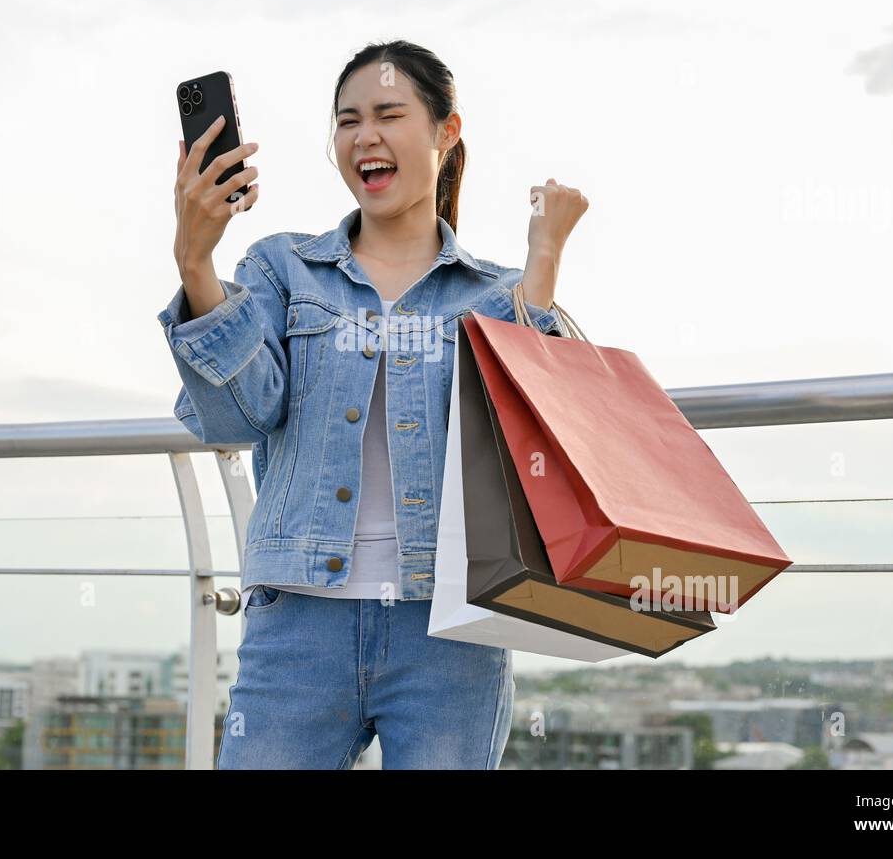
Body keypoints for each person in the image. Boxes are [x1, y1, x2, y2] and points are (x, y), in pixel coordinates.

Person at [158, 39, 590, 769]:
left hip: (450, 630)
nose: (364, 137)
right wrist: (194, 262)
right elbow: (233, 419)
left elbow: (539, 442)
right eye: (347, 120)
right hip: (297, 620)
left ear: (447, 134)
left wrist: (543, 259)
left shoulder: (494, 295)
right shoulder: (281, 268)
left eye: (389, 113)